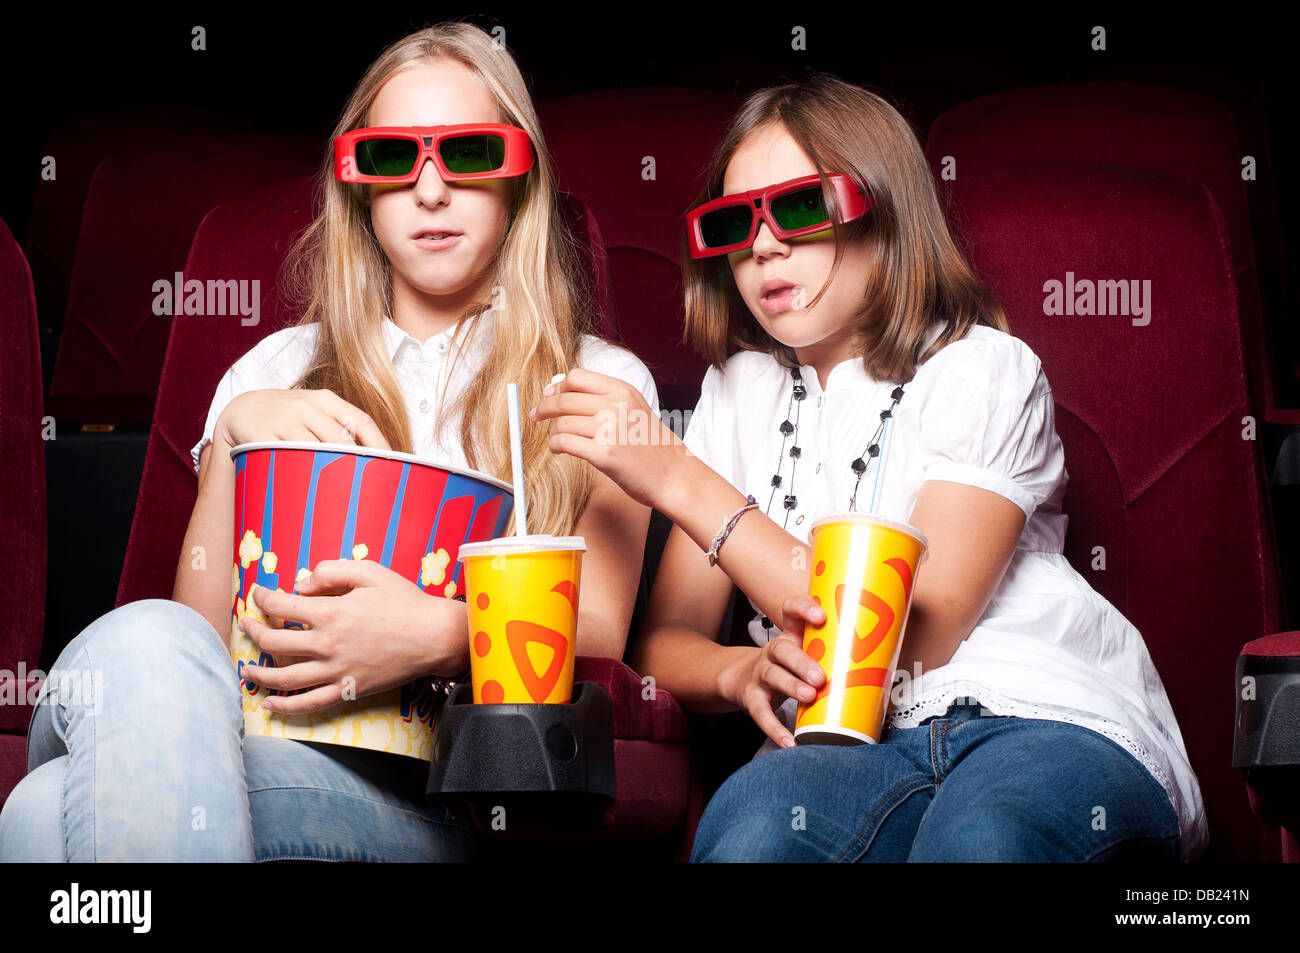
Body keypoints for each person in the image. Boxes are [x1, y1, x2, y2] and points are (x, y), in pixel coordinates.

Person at [0, 22, 657, 862]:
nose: (429, 189)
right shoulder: (272, 368)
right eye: (392, 159)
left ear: (520, 174)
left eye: (467, 154)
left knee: (40, 809)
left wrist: (434, 631)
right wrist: (234, 440)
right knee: (139, 651)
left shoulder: (596, 381)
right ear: (359, 185)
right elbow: (192, 647)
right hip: (222, 735)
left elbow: (598, 623)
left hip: (431, 795)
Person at [529, 73, 1207, 861]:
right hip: (841, 748)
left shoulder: (984, 368)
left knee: (983, 841)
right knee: (750, 839)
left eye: (802, 208)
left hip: (1036, 716)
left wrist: (680, 479)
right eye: (732, 223)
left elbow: (921, 631)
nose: (764, 245)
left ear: (885, 212)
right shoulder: (740, 392)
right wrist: (741, 670)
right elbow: (665, 642)